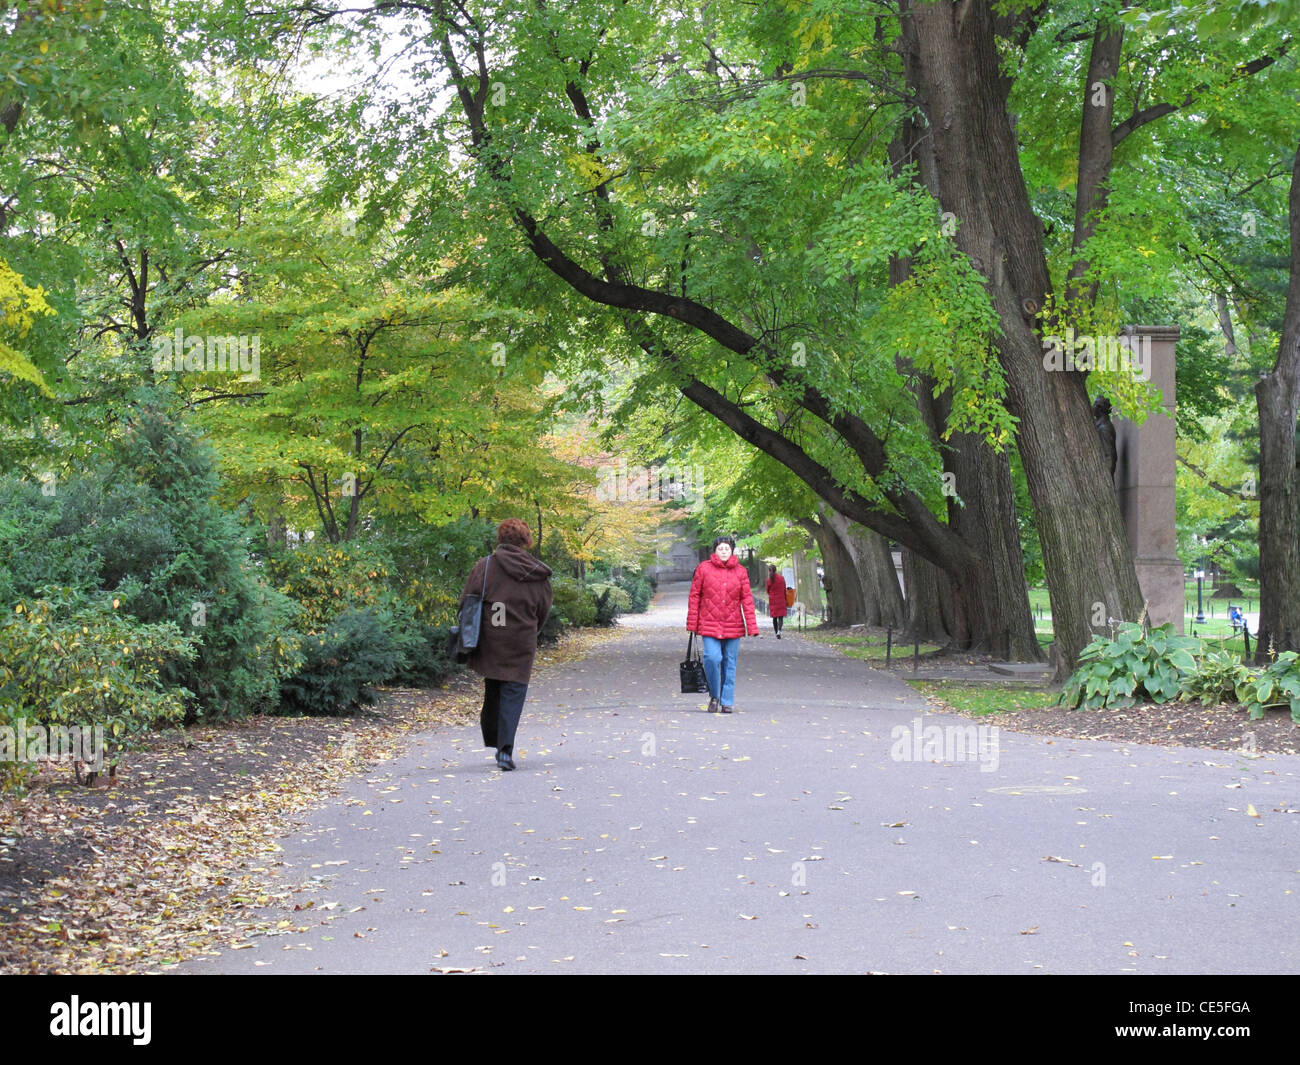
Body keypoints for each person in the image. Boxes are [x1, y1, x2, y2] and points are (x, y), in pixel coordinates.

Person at [459, 519, 552, 771]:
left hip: (491, 638)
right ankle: (504, 750)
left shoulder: (486, 566)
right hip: (521, 640)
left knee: (494, 687)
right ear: (526, 541)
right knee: (513, 692)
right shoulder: (538, 573)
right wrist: (531, 629)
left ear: (500, 539)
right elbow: (543, 610)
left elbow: (467, 600)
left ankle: (496, 740)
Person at [686, 535, 758, 714]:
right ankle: (714, 696)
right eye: (720, 548)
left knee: (729, 663)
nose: (724, 551)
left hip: (733, 625)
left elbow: (747, 599)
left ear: (732, 550)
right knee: (712, 658)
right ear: (715, 551)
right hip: (709, 623)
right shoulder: (703, 569)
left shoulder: (741, 572)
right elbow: (695, 596)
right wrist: (692, 623)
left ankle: (727, 701)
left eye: (727, 548)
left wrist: (752, 626)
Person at [765, 563, 788, 639]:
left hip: (773, 600)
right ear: (776, 570)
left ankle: (776, 633)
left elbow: (767, 591)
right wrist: (785, 599)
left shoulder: (769, 580)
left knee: (774, 617)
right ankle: (779, 631)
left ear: (769, 571)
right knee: (780, 617)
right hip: (781, 599)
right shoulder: (782, 578)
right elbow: (784, 589)